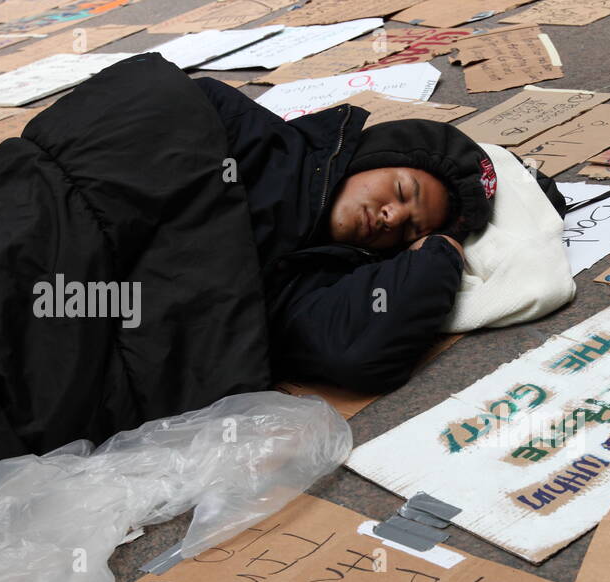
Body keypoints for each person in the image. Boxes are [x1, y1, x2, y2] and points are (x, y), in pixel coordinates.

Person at [193, 77, 501, 394]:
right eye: (401, 191)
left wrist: (439, 252)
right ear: (372, 157)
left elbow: (357, 352)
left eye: (410, 231)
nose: (392, 217)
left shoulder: (309, 288)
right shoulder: (246, 133)